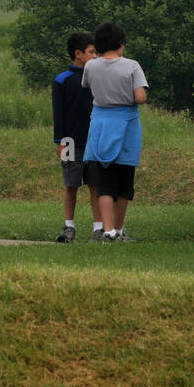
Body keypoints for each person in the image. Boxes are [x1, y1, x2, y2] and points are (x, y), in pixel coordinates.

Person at [82, 21, 147, 242]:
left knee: (105, 182)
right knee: (124, 183)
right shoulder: (132, 66)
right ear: (121, 44)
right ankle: (119, 230)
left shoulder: (91, 66)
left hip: (100, 125)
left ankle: (106, 230)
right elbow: (140, 97)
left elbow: (88, 86)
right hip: (126, 126)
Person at [51, 31, 101, 243]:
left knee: (96, 185)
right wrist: (60, 141)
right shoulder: (62, 80)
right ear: (78, 53)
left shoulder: (98, 76)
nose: (96, 56)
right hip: (70, 141)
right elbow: (58, 113)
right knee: (71, 184)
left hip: (95, 140)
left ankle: (98, 229)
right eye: (91, 52)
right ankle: (69, 227)